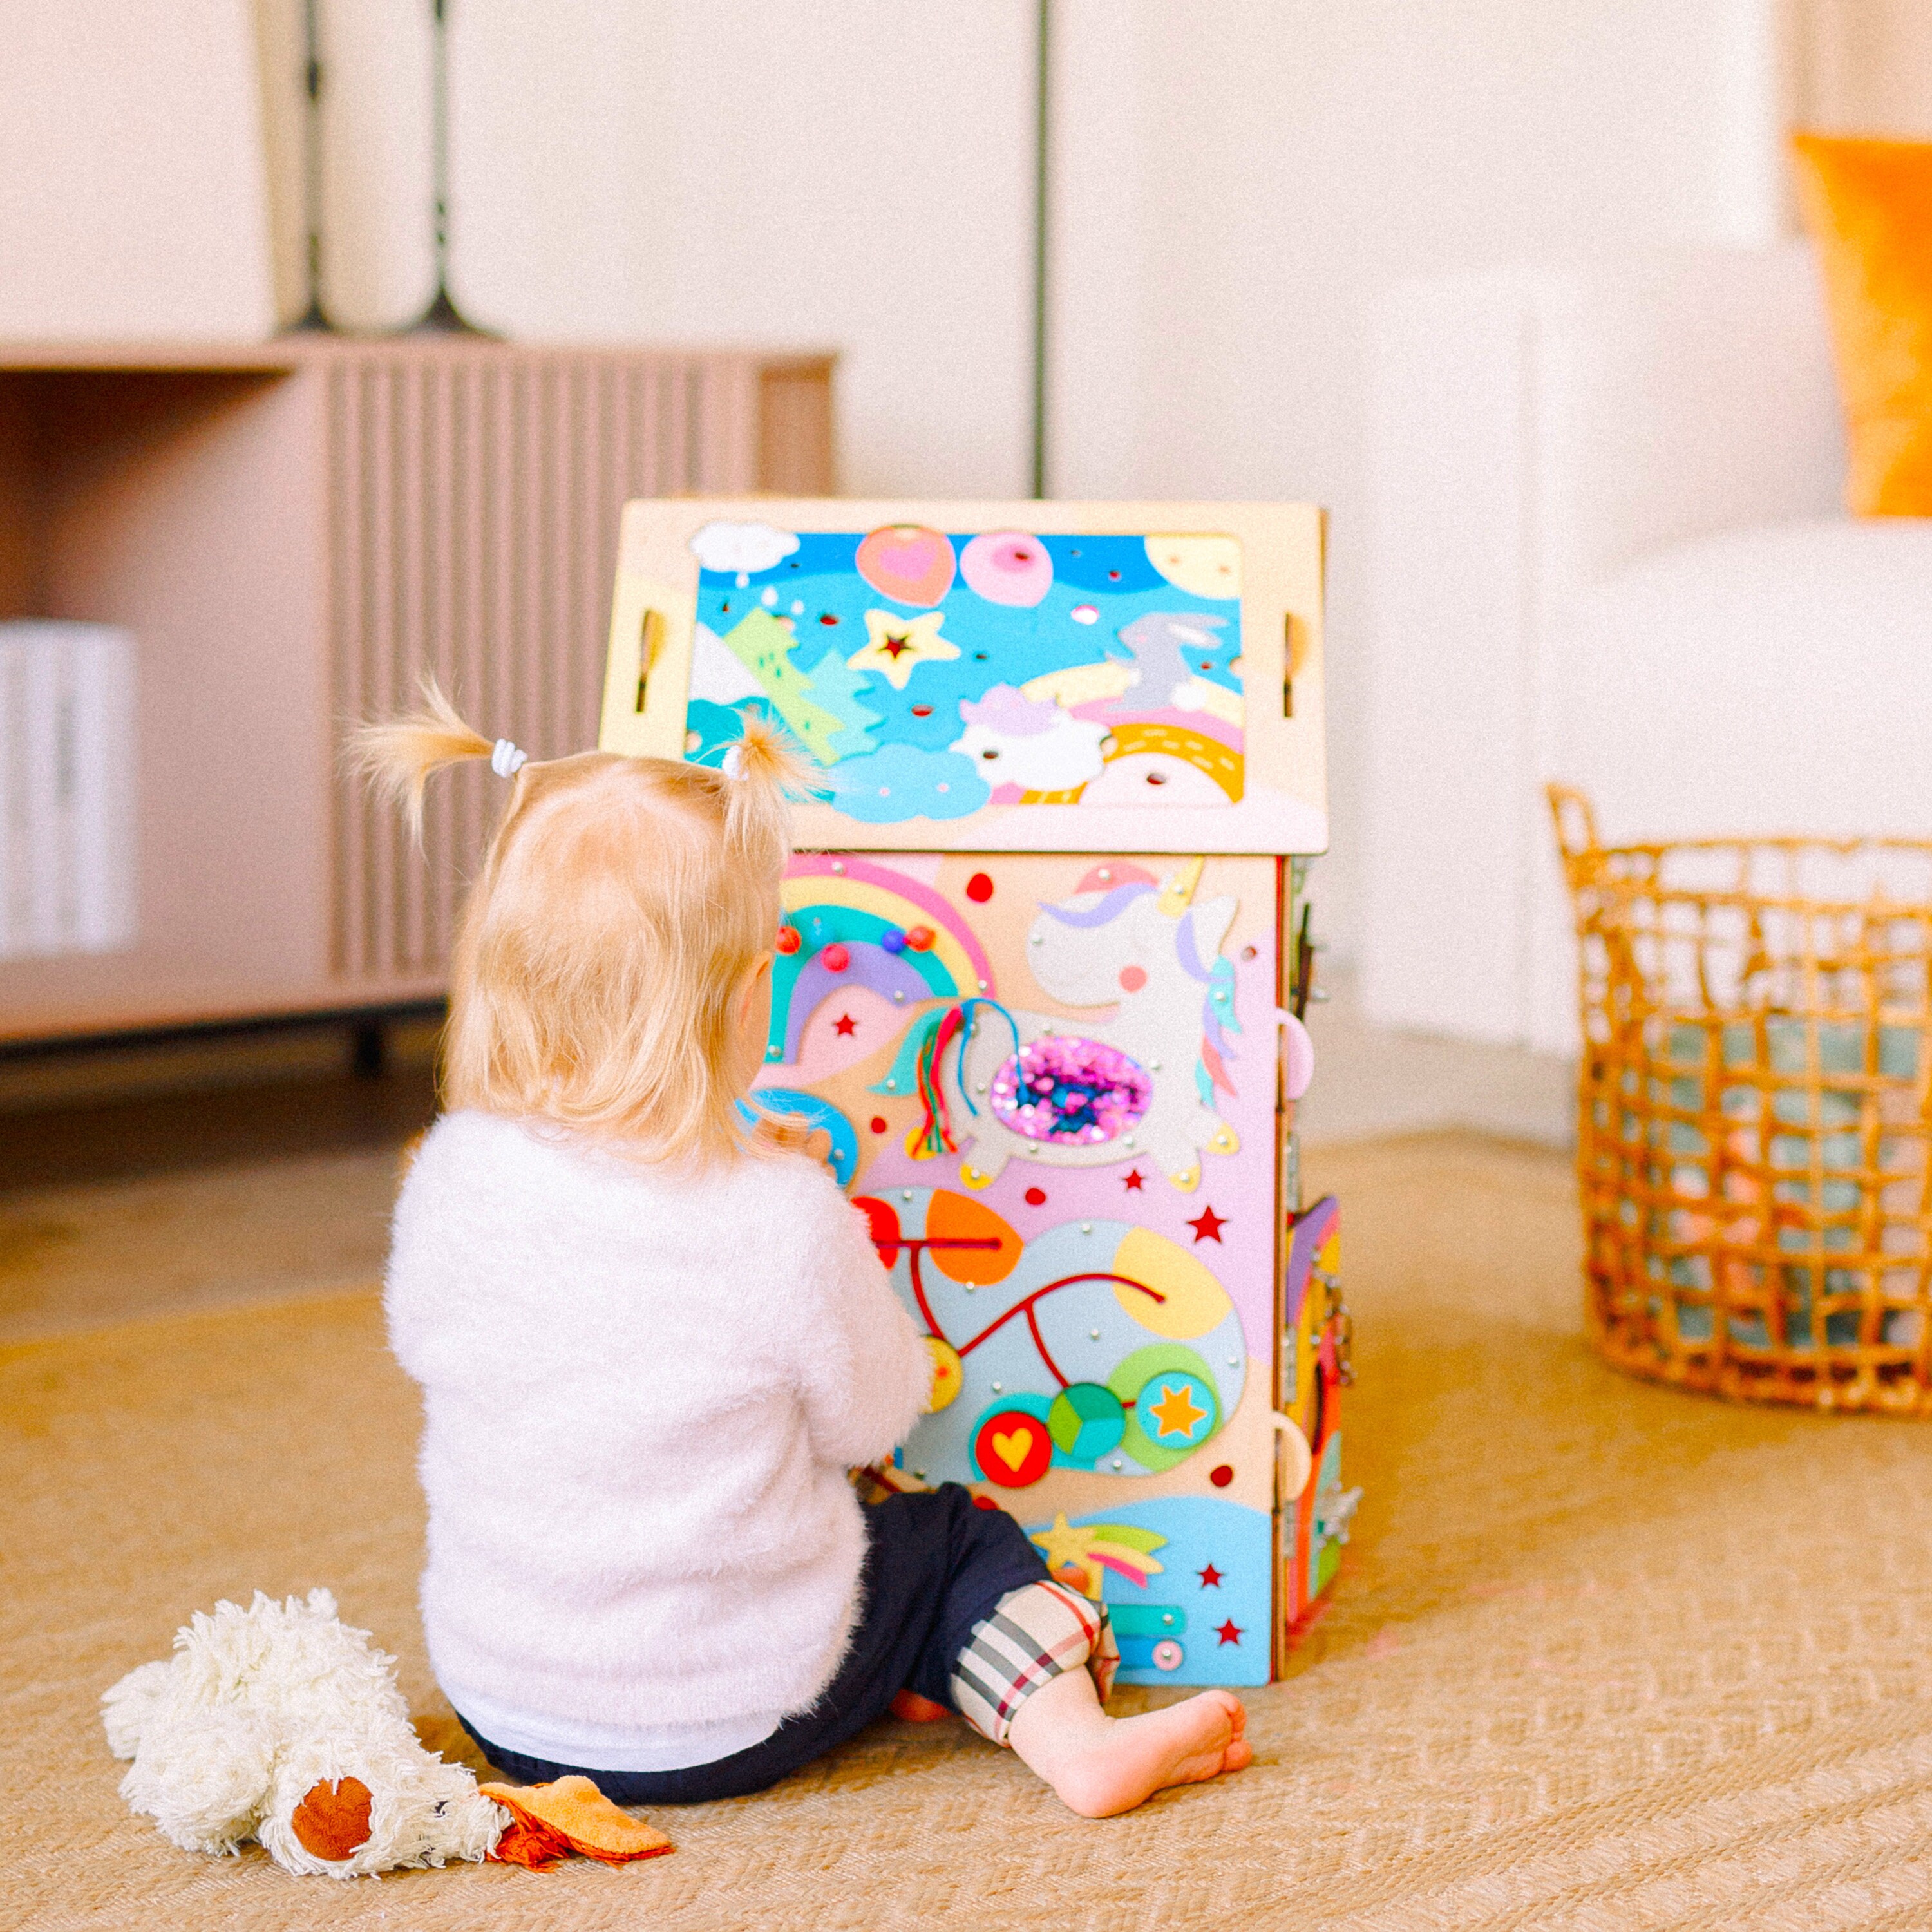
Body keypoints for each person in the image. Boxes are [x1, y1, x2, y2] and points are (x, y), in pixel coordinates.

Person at [352, 688, 1251, 1818]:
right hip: (730, 1719)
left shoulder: (452, 1172)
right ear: (745, 1001)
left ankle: (933, 1674)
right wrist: (838, 1244)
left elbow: (446, 1352)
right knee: (949, 1540)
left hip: (507, 1707)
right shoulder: (780, 1211)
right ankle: (1071, 1737)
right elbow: (874, 1420)